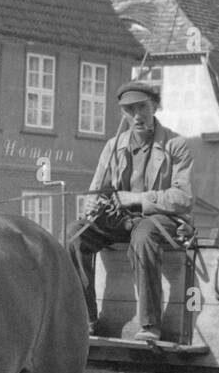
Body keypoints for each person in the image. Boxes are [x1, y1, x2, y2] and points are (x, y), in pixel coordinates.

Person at [67, 79, 195, 342]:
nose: (136, 116)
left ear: (155, 107)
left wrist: (135, 198)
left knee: (144, 234)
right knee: (75, 234)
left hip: (160, 221)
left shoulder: (176, 145)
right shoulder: (114, 146)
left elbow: (183, 198)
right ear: (123, 113)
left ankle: (149, 326)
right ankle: (85, 319)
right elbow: (97, 189)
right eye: (129, 110)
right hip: (120, 221)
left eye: (142, 108)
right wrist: (92, 203)